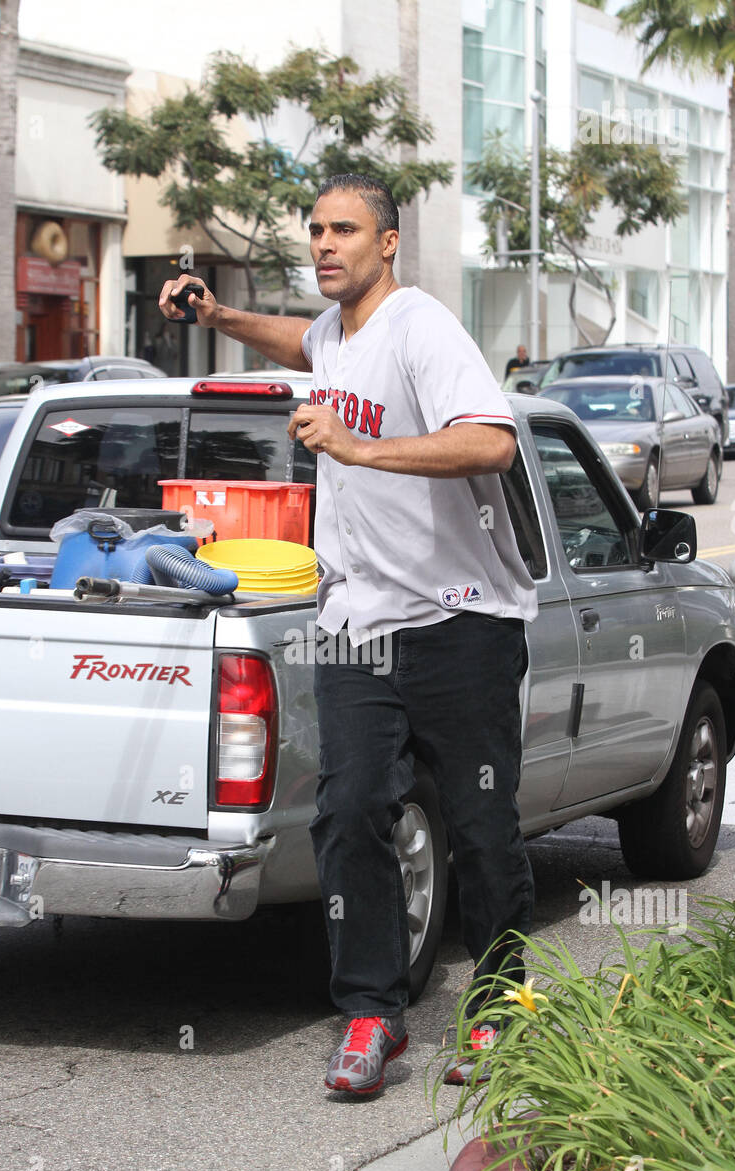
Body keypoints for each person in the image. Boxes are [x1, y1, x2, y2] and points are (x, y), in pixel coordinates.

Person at [159, 173, 538, 1097]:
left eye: (345, 230)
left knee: (482, 824)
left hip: (460, 620)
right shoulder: (333, 335)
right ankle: (372, 1012)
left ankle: (498, 1011)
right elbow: (300, 340)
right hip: (354, 624)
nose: (326, 244)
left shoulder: (423, 328)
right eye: (317, 230)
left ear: (389, 243)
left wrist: (357, 447)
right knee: (348, 812)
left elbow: (492, 441)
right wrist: (219, 314)